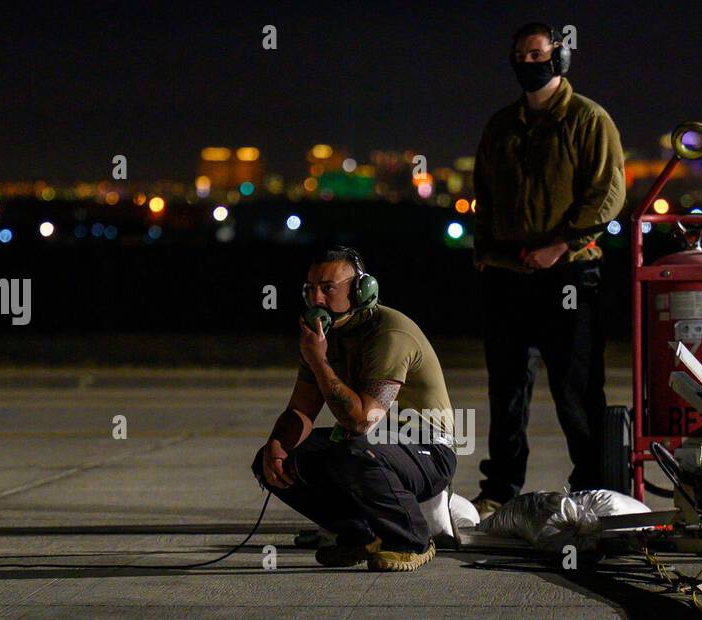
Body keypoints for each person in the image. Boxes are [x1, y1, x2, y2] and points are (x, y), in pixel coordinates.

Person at [470, 21, 627, 520]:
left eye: (536, 54)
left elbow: (608, 194)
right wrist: (487, 251)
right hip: (508, 276)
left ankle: (592, 489)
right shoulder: (501, 126)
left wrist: (561, 245)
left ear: (558, 57)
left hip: (569, 276)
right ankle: (500, 487)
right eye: (519, 55)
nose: (527, 63)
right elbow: (485, 195)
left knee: (576, 388)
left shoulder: (587, 119)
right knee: (507, 389)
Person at [252, 246, 457, 572]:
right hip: (370, 445)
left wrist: (319, 361)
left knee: (357, 448)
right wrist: (278, 445)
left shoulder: (390, 333)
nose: (315, 299)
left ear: (362, 289)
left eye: (327, 288)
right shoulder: (324, 337)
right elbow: (302, 410)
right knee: (276, 460)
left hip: (428, 449)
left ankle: (412, 539)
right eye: (310, 289)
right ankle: (359, 534)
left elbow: (363, 420)